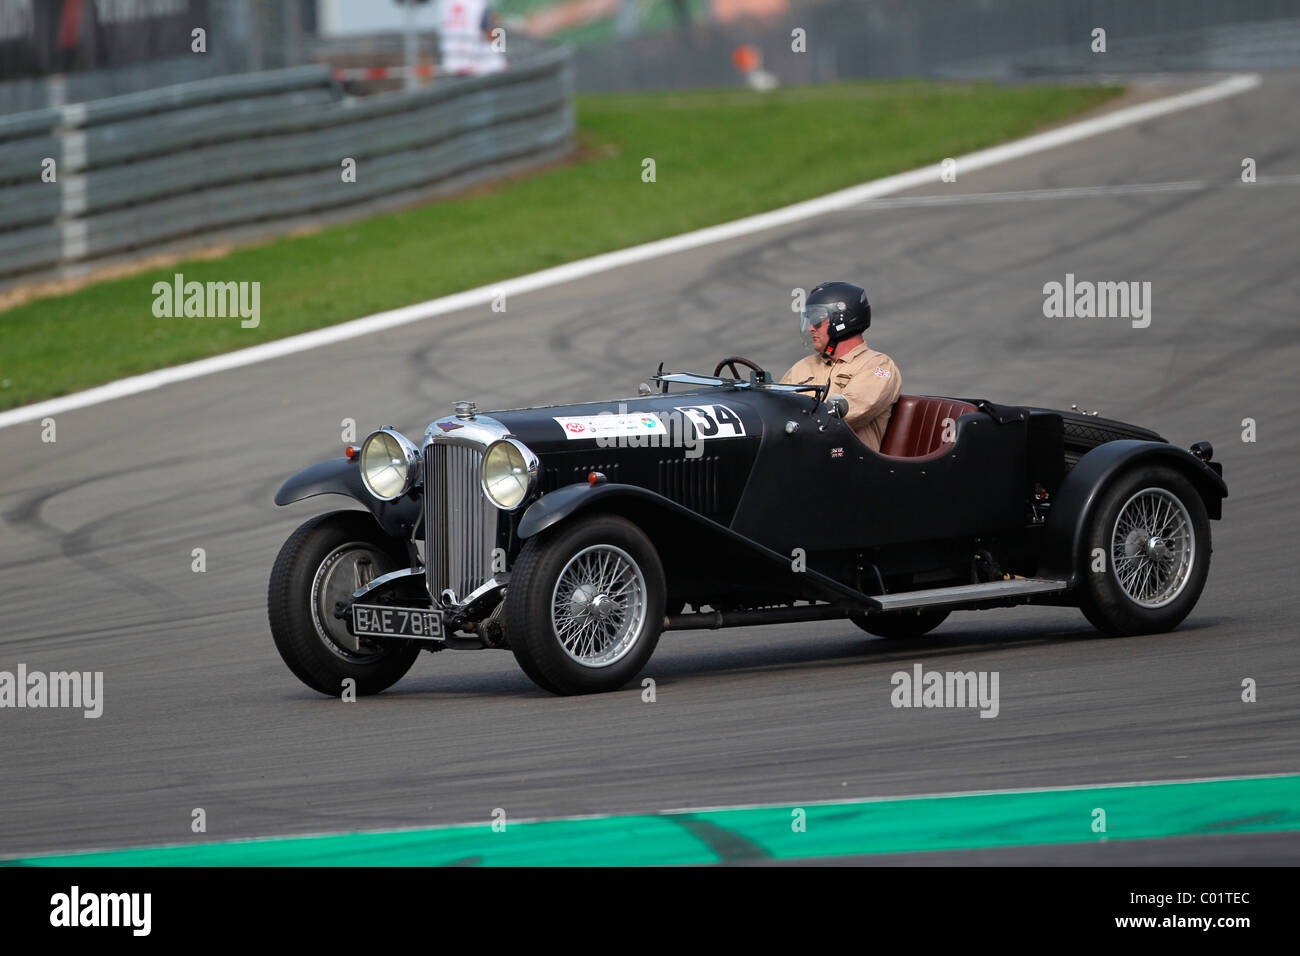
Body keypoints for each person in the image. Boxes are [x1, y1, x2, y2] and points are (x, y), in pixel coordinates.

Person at [780, 281, 902, 453]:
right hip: (799, 456)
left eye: (816, 319)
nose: (811, 328)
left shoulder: (877, 366)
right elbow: (776, 406)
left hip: (846, 462)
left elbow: (845, 415)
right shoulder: (803, 366)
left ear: (841, 319)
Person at [437, 0, 507, 76]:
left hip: (451, 62)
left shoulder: (446, 3)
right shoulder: (477, 4)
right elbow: (490, 34)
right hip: (476, 63)